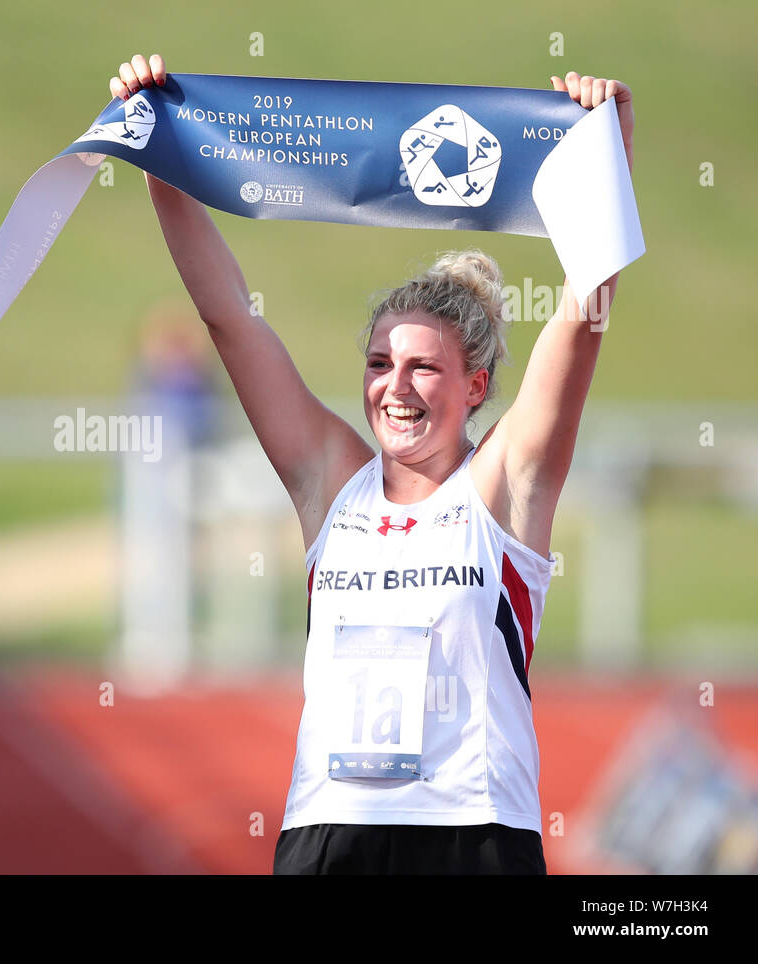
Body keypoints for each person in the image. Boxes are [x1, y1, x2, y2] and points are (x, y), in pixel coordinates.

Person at [110, 55, 634, 874]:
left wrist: (609, 156)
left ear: (476, 385)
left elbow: (583, 318)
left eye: (423, 367)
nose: (395, 387)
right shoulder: (331, 481)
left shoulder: (503, 487)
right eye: (379, 363)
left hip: (475, 833)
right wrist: (161, 164)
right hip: (330, 832)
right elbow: (230, 322)